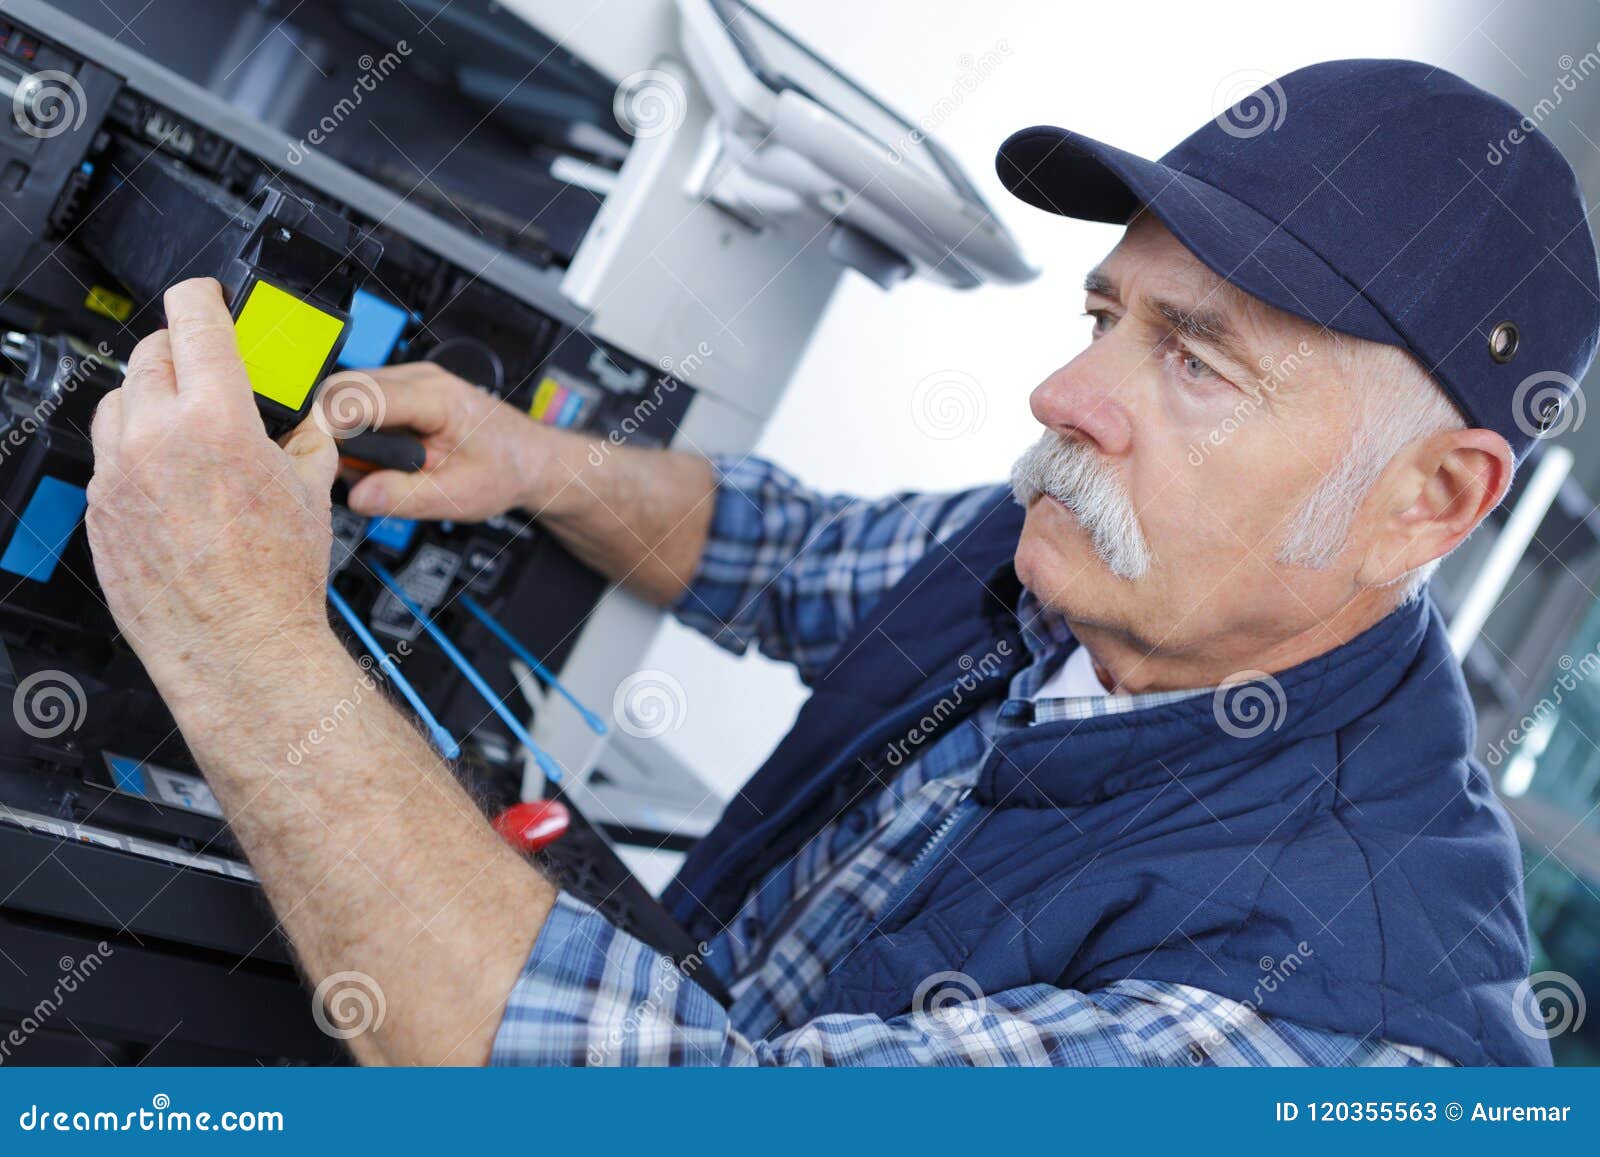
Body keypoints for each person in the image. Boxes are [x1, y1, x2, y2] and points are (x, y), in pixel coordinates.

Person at [84, 59, 1596, 1065]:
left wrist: (237, 629)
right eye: (1103, 318)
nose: (1066, 400)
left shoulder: (1341, 1012)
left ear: (1426, 503)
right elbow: (784, 552)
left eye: (1199, 364)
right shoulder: (1071, 564)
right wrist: (538, 459)